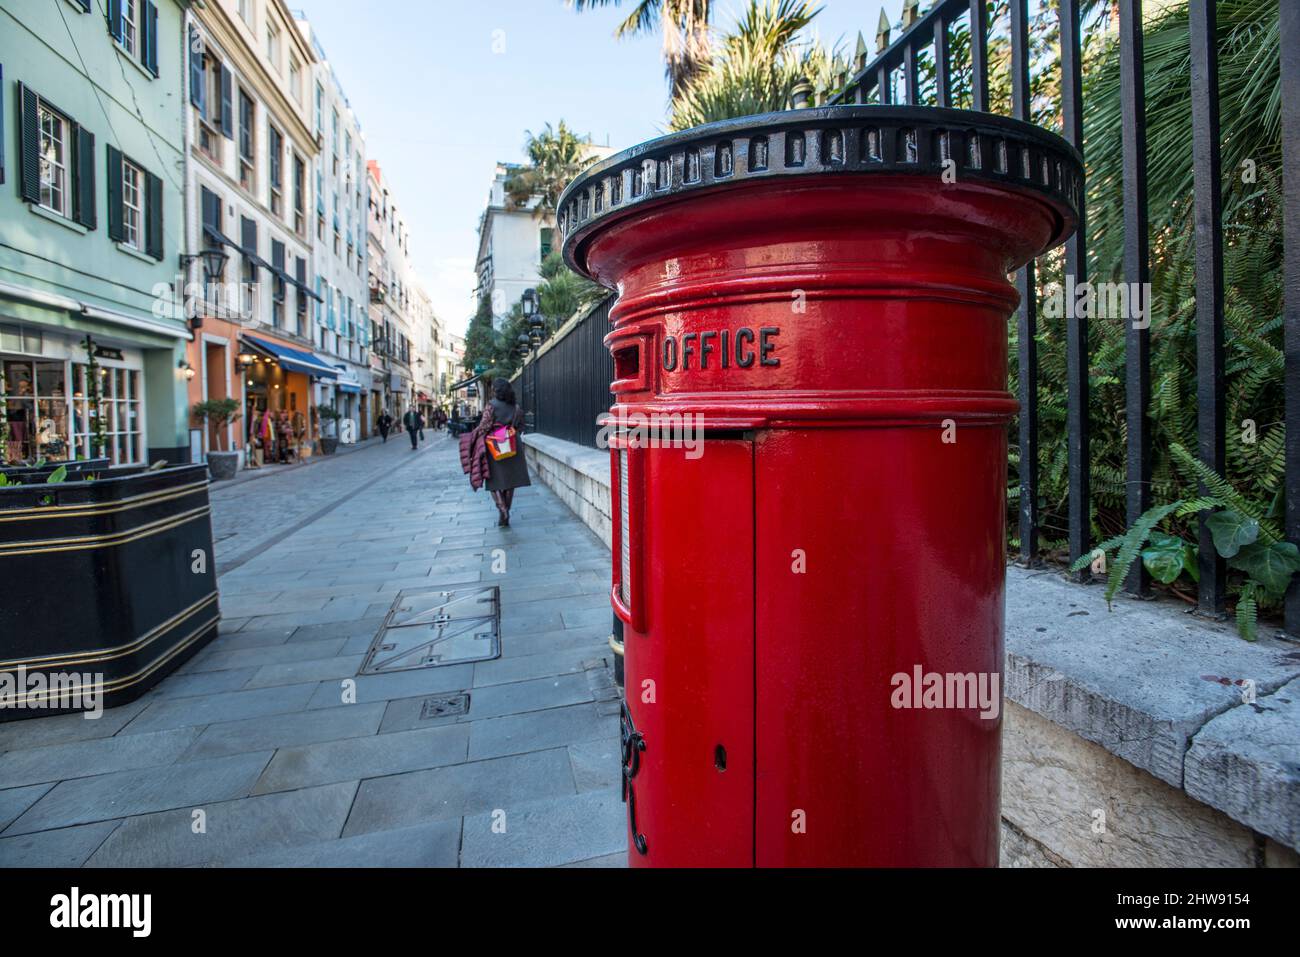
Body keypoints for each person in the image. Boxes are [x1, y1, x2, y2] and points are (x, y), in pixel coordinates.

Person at [473, 378, 531, 527]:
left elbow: (484, 426)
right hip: (512, 444)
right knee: (510, 483)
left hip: (495, 445)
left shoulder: (491, 406)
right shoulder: (516, 407)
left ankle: (502, 509)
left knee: (494, 482)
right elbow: (522, 426)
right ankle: (505, 512)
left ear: (496, 391)